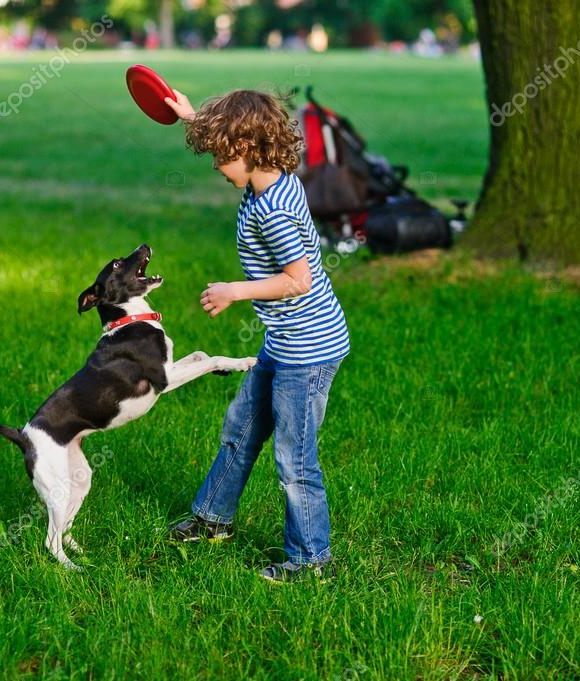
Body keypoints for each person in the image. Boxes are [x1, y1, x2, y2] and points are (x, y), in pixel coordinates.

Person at [163, 88, 350, 583]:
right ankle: (212, 519)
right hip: (285, 342)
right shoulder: (273, 177)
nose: (217, 168)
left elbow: (298, 280)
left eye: (221, 156)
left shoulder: (273, 211)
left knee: (295, 457)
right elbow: (241, 127)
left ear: (246, 150)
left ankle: (311, 560)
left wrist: (234, 290)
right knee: (241, 429)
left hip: (307, 351)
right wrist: (193, 116)